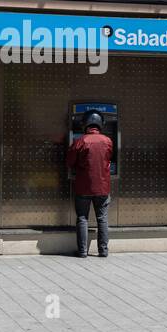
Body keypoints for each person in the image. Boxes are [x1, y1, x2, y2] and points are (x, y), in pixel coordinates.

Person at [66, 110, 113, 258]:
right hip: (103, 187)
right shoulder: (108, 141)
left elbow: (69, 162)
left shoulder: (80, 141)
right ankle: (103, 251)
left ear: (85, 124)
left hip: (83, 187)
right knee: (102, 219)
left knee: (82, 218)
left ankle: (82, 251)